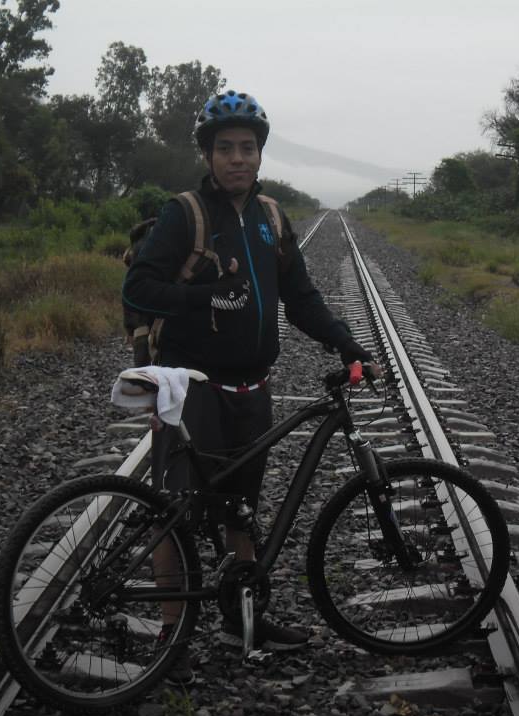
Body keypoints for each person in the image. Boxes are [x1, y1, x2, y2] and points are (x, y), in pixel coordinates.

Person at [122, 90, 374, 683]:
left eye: (247, 148)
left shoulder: (270, 218)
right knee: (177, 509)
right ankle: (170, 637)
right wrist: (204, 296)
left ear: (260, 154)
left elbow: (301, 298)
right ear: (208, 155)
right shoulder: (185, 214)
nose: (237, 158)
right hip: (190, 386)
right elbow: (139, 289)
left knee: (241, 507)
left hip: (253, 387)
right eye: (225, 148)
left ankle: (244, 620)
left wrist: (348, 344)